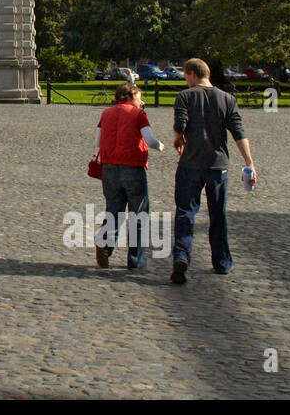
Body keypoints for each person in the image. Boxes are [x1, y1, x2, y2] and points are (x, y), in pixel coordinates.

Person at [170, 58, 259, 284]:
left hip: (191, 163)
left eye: (185, 76)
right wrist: (249, 162)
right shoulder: (227, 99)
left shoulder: (185, 96)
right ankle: (221, 262)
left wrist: (178, 138)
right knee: (218, 214)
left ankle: (181, 257)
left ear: (191, 73)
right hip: (218, 165)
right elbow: (239, 132)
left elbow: (180, 124)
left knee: (185, 212)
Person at [93, 82, 166, 269]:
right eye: (140, 98)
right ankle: (136, 259)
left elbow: (97, 141)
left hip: (109, 169)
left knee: (113, 211)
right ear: (132, 96)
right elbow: (149, 140)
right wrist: (160, 145)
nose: (142, 102)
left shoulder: (106, 114)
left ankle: (105, 244)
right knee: (138, 214)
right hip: (132, 167)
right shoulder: (138, 114)